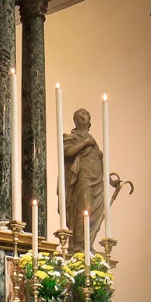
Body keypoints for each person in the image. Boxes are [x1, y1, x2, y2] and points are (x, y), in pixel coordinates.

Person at [62, 107, 107, 249]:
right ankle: (79, 246)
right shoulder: (73, 137)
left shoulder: (93, 141)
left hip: (98, 180)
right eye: (79, 114)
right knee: (85, 209)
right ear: (75, 120)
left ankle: (88, 245)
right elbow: (68, 151)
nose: (83, 115)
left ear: (89, 119)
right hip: (84, 178)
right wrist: (85, 142)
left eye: (85, 113)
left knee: (95, 213)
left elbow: (99, 161)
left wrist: (112, 181)